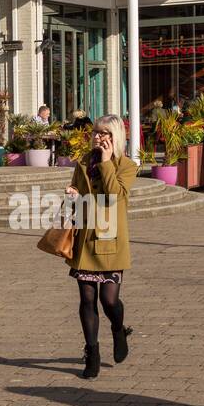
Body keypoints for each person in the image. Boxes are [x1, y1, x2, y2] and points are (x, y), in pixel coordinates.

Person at [64, 115, 135, 379]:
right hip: (85, 239)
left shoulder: (127, 165)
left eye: (104, 133)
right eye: (95, 132)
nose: (97, 137)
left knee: (109, 300)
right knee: (87, 299)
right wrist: (73, 195)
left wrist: (106, 162)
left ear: (115, 136)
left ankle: (118, 329)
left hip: (111, 239)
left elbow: (114, 196)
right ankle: (92, 353)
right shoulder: (83, 161)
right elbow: (80, 193)